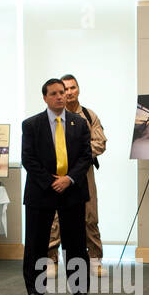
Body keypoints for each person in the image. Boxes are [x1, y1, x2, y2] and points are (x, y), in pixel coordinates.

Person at [21, 78, 92, 295]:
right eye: (54, 93)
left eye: (62, 92)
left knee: (76, 243)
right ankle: (35, 289)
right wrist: (51, 182)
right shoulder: (31, 125)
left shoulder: (79, 124)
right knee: (36, 242)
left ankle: (80, 288)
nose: (60, 96)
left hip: (72, 190)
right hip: (41, 190)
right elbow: (28, 159)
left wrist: (68, 179)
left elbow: (85, 156)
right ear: (45, 97)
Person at [47, 73, 107, 276]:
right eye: (65, 89)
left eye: (73, 88)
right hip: (58, 174)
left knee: (89, 216)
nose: (69, 92)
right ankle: (51, 260)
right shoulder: (52, 116)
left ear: (78, 89)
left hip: (84, 174)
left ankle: (95, 260)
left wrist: (77, 156)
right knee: (55, 218)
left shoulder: (89, 116)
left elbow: (100, 142)